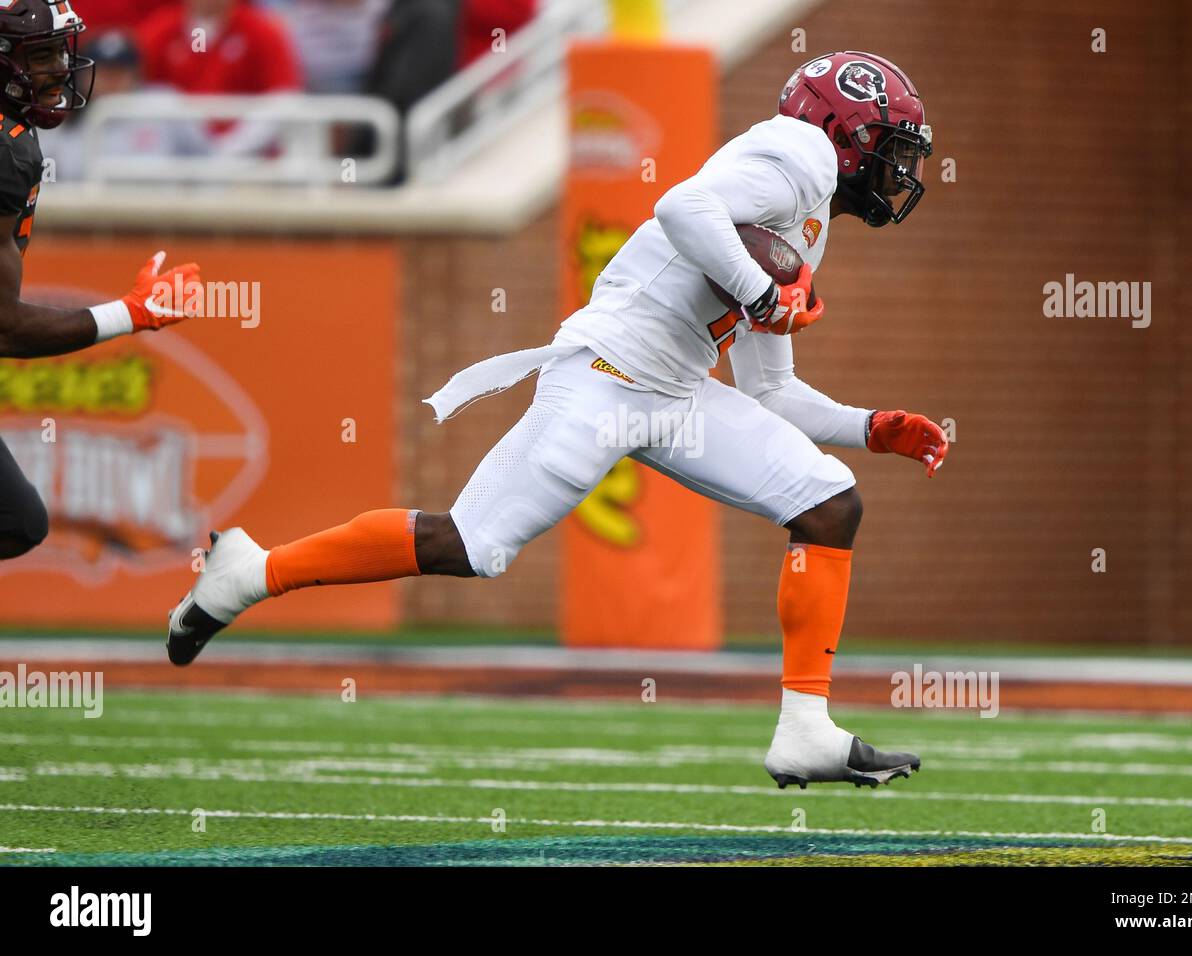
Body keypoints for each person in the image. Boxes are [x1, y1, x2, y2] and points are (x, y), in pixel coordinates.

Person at [166, 51, 947, 790]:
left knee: (827, 500)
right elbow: (681, 206)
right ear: (844, 131)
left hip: (676, 393)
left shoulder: (812, 219)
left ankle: (804, 728)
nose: (897, 171)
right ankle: (249, 573)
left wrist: (871, 426)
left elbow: (771, 391)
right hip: (608, 372)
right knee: (471, 545)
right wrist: (758, 289)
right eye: (890, 147)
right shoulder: (797, 152)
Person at [0, 1, 202, 559]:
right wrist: (130, 314)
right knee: (16, 521)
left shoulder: (12, 135)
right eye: (40, 56)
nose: (59, 71)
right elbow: (4, 328)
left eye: (58, 54)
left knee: (16, 520)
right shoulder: (5, 147)